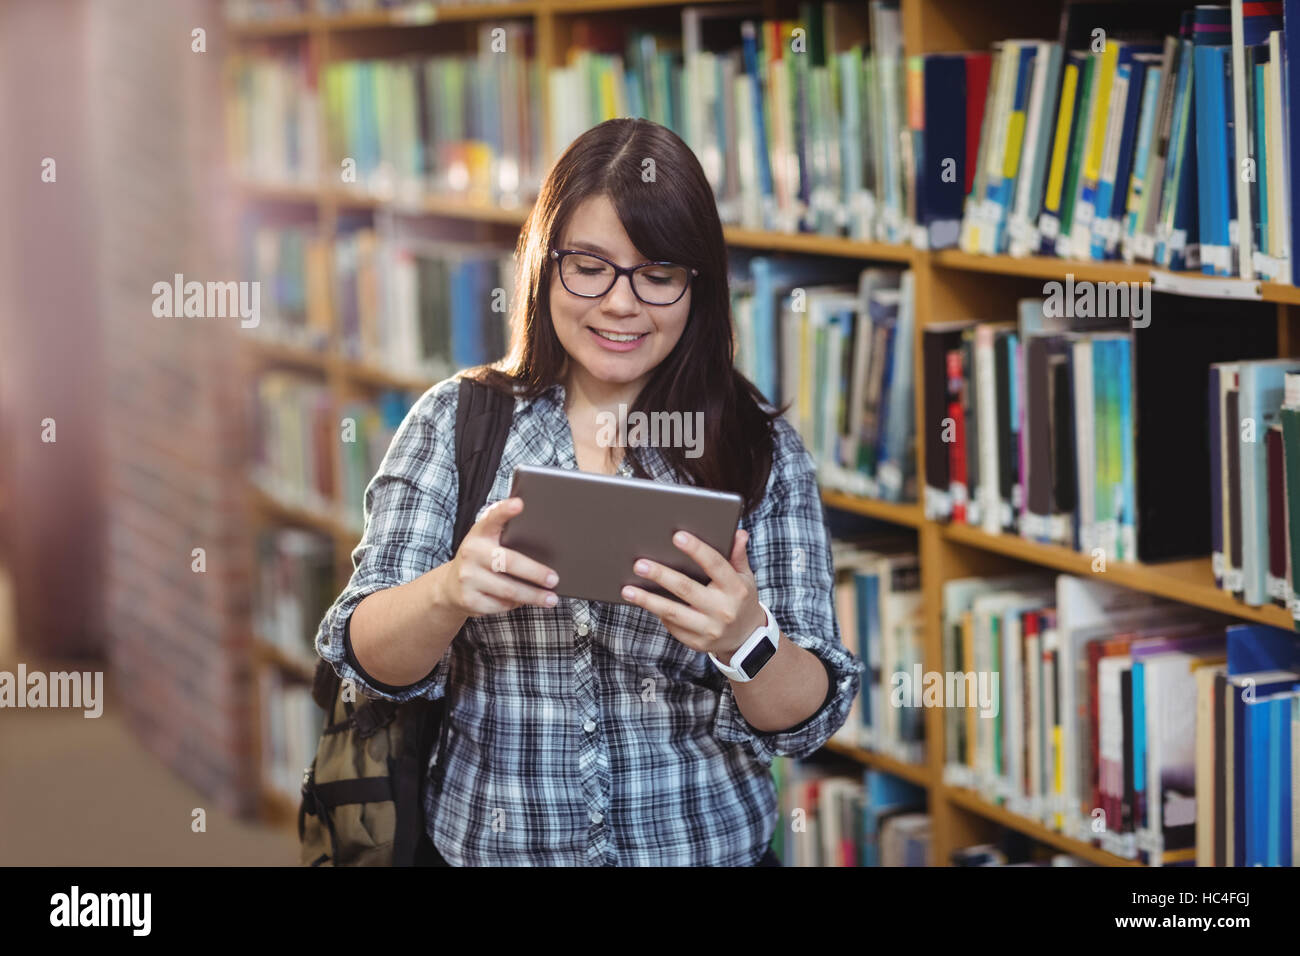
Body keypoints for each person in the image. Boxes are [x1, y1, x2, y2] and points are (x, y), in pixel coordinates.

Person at [314, 117, 861, 866]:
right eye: (590, 267)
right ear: (545, 264)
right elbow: (362, 656)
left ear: (696, 287)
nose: (620, 304)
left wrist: (746, 641)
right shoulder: (458, 422)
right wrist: (448, 593)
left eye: (657, 274)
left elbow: (808, 720)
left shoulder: (756, 449)